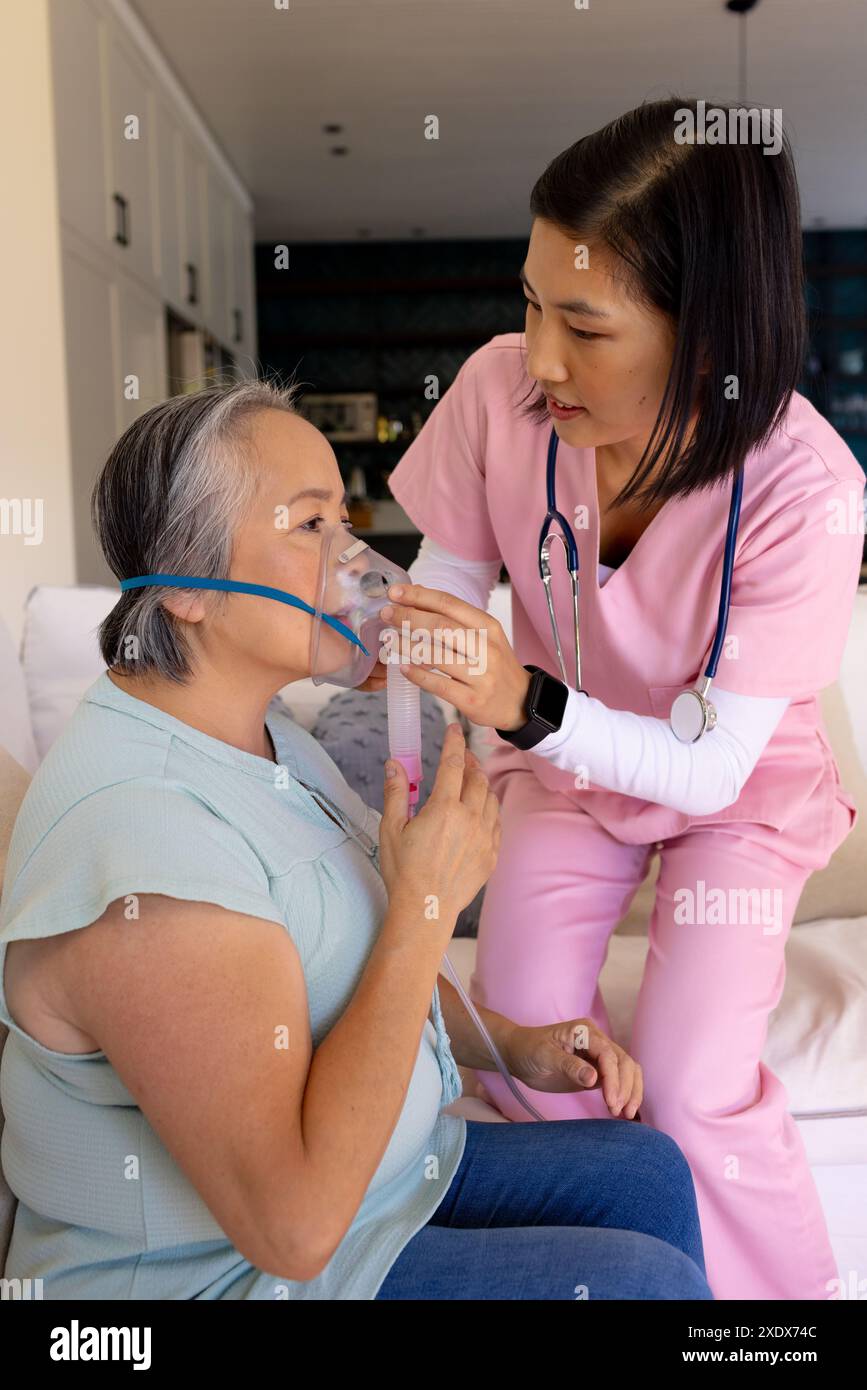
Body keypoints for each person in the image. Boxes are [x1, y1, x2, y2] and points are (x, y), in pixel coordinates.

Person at [0, 382, 711, 1300]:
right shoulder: (143, 850)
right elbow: (291, 1232)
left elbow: (340, 960)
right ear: (184, 586)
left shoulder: (257, 733)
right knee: (634, 1285)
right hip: (222, 1278)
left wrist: (511, 1045)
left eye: (346, 517)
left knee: (643, 1171)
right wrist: (428, 904)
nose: (361, 563)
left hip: (385, 1184)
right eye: (306, 527)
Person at [383, 97, 865, 1300]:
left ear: (704, 335)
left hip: (734, 799)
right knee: (533, 1035)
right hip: (570, 779)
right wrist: (413, 780)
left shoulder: (805, 490)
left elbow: (707, 765)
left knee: (694, 1082)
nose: (540, 356)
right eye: (530, 304)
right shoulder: (502, 395)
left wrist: (519, 694)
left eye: (584, 326)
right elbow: (438, 614)